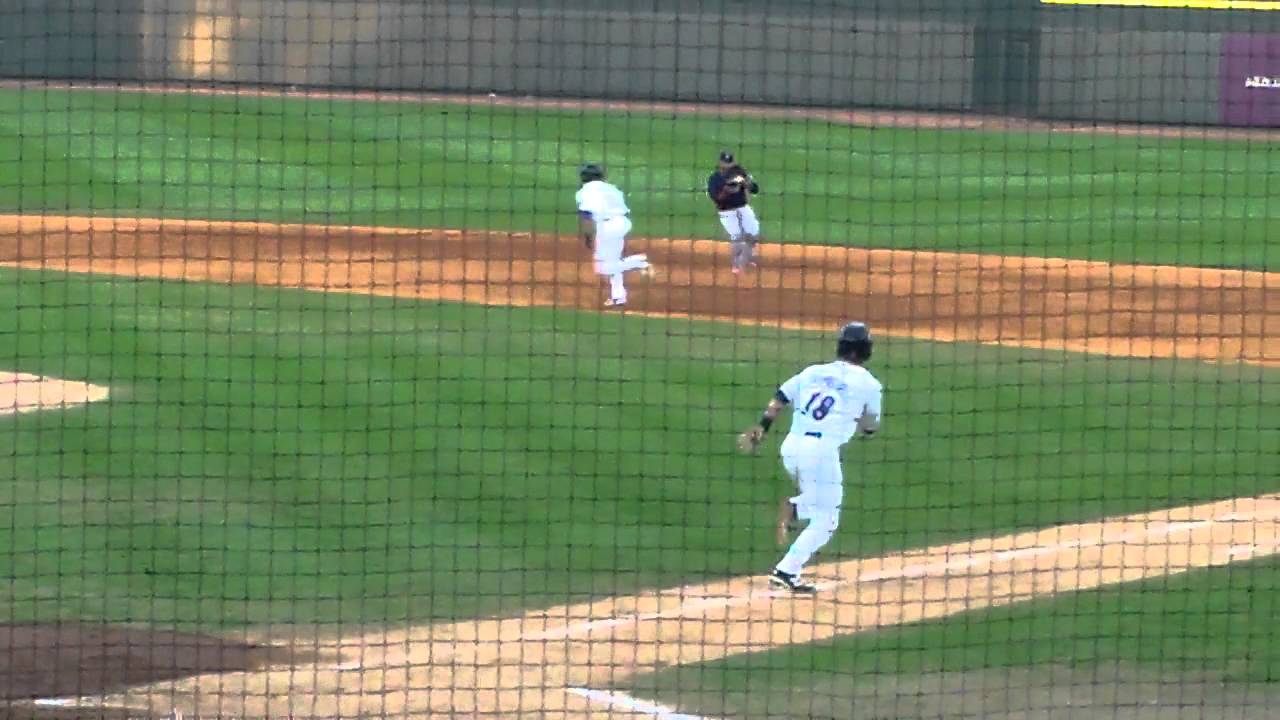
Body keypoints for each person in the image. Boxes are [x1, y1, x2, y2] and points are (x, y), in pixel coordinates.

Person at [737, 322, 883, 593]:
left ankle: (796, 509)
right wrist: (864, 428)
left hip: (791, 448)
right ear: (865, 350)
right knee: (828, 519)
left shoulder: (814, 371)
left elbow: (779, 398)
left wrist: (762, 427)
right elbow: (871, 425)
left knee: (821, 507)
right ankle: (786, 570)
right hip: (821, 453)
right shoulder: (870, 384)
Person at [575, 163, 652, 308]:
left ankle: (639, 263)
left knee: (603, 268)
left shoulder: (584, 192)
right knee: (613, 261)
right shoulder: (612, 188)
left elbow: (586, 217)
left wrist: (588, 237)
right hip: (622, 223)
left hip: (607, 227)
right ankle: (618, 297)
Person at [706, 150, 762, 273]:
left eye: (729, 163)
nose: (727, 166)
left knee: (753, 234)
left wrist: (747, 183)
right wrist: (727, 190)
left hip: (743, 208)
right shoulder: (714, 179)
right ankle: (736, 265)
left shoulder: (739, 172)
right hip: (726, 212)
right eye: (725, 163)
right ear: (720, 163)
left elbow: (755, 189)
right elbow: (716, 199)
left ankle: (748, 258)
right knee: (737, 237)